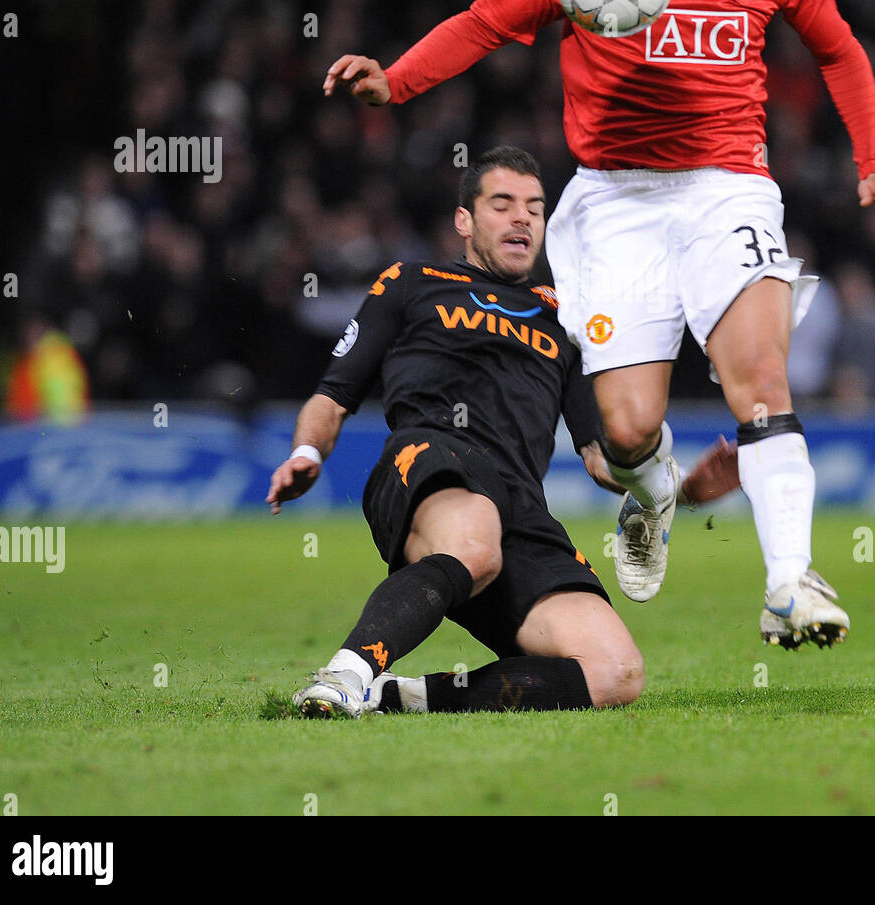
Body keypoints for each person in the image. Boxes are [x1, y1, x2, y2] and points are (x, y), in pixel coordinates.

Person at [321, 0, 875, 649]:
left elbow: (837, 44)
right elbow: (485, 20)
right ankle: (653, 498)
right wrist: (398, 78)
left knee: (759, 380)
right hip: (613, 198)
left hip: (728, 185)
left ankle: (788, 582)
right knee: (625, 429)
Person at [268, 146, 735, 716]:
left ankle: (396, 699)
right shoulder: (413, 282)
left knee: (614, 673)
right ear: (464, 220)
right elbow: (334, 393)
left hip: (521, 505)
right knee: (473, 538)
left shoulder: (563, 318)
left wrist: (676, 489)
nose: (523, 218)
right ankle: (344, 674)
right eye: (503, 204)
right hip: (433, 459)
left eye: (535, 209)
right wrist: (307, 450)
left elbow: (599, 456)